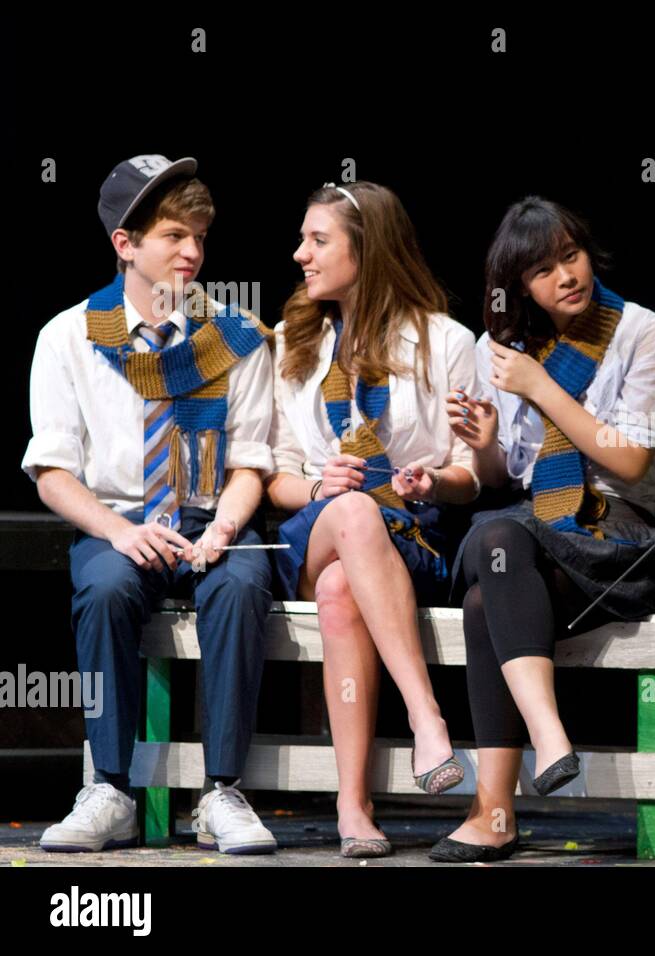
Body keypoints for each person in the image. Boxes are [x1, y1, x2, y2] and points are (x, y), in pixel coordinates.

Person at [24, 155, 279, 854]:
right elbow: (51, 471)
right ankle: (111, 788)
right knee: (104, 589)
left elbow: (251, 462)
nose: (192, 252)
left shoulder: (236, 335)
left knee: (242, 584)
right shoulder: (68, 337)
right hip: (118, 523)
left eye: (199, 236)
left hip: (210, 519)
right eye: (173, 235)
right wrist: (120, 531)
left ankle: (224, 791)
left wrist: (225, 525)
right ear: (125, 244)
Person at [427, 196, 655, 862]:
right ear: (518, 289)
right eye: (543, 269)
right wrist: (481, 444)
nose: (566, 276)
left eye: (571, 255)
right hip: (536, 537)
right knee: (492, 570)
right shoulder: (501, 350)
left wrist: (540, 388)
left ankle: (496, 809)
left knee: (494, 549)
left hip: (613, 540)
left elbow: (629, 457)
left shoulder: (642, 331)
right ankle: (549, 741)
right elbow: (502, 475)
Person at [265, 181, 481, 858]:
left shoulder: (445, 341)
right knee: (351, 508)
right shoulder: (292, 344)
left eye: (318, 240)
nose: (301, 253)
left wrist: (430, 481)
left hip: (408, 539)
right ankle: (426, 714)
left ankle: (353, 808)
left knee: (341, 590)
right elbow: (274, 479)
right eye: (304, 239)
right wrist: (314, 483)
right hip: (311, 533)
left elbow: (472, 475)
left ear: (368, 248)